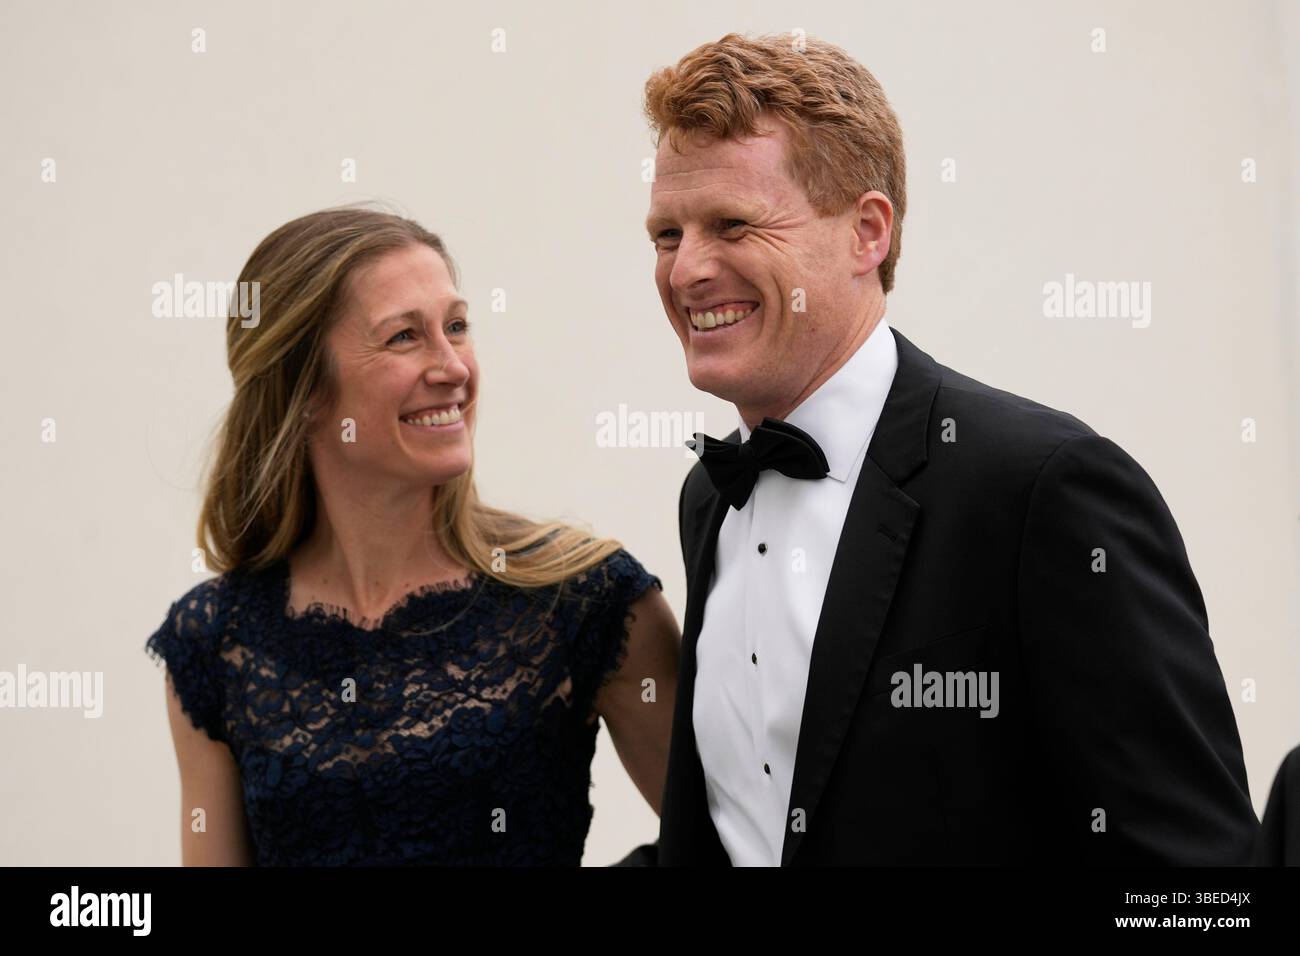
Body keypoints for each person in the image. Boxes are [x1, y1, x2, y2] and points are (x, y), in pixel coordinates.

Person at [641, 33, 1258, 865]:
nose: (687, 272)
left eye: (732, 224)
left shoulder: (1044, 489)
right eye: (667, 235)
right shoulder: (709, 496)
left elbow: (1200, 881)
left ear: (867, 233)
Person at [145, 206, 679, 865]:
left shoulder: (587, 600)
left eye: (457, 327)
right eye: (405, 337)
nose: (453, 366)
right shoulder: (213, 645)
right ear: (303, 389)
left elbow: (728, 848)